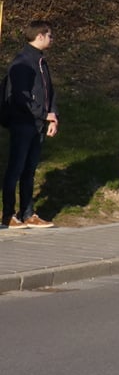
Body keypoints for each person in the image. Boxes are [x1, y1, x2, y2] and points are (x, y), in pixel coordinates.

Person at [1, 20, 59, 229]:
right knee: (15, 169)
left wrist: (53, 116)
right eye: (50, 35)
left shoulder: (41, 61)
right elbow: (20, 96)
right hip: (23, 123)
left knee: (30, 170)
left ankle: (27, 213)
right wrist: (44, 115)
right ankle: (7, 215)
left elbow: (49, 91)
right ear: (40, 36)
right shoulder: (22, 63)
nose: (52, 39)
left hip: (38, 124)